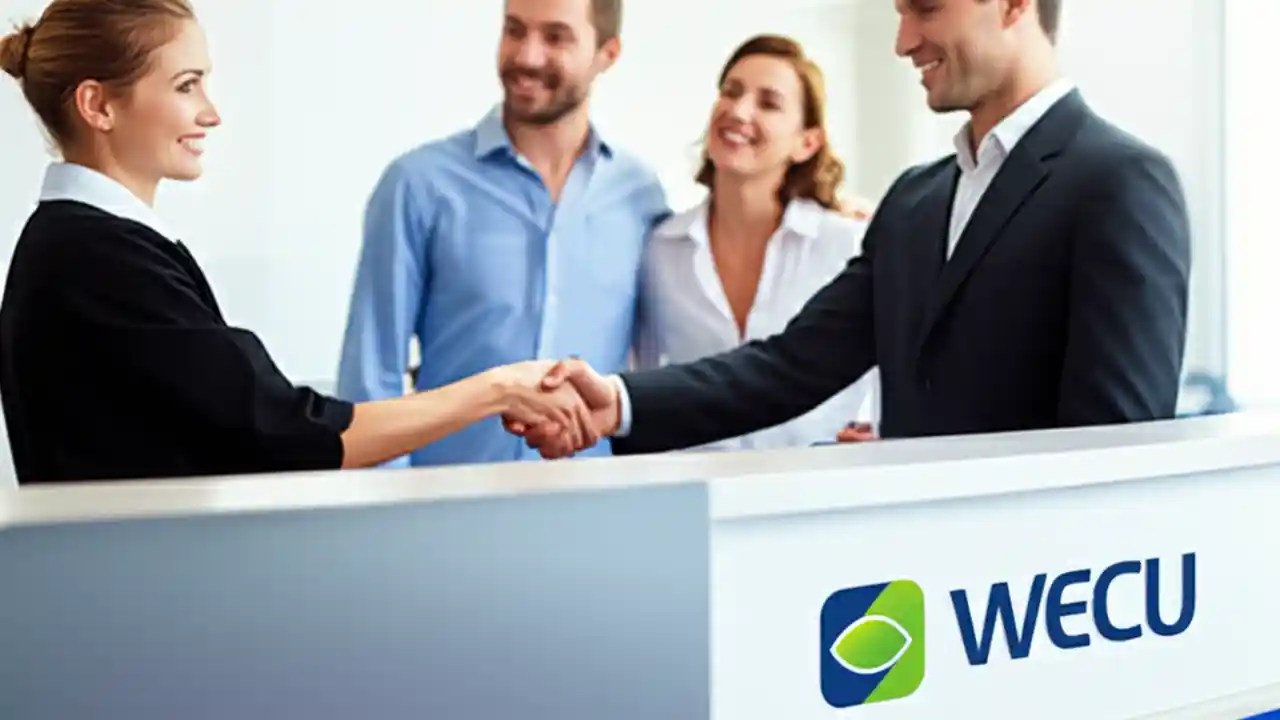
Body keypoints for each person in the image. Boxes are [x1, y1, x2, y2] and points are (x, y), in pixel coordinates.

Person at [510, 0, 1192, 458]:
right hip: (908, 602)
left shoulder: (1119, 181)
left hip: (1034, 612)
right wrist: (619, 403)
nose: (904, 41)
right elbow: (789, 367)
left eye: (925, 8)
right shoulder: (916, 201)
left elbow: (1115, 452)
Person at [0, 0, 593, 484]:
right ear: (98, 104)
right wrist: (498, 389)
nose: (210, 114)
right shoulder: (97, 261)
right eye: (187, 85)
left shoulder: (86, 247)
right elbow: (290, 434)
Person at [335, 0, 669, 467]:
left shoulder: (640, 195)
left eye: (556, 37)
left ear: (607, 54)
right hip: (445, 509)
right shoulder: (419, 184)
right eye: (515, 30)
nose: (527, 56)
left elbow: (655, 370)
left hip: (595, 507)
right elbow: (371, 378)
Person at [634, 35, 879, 451]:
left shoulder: (846, 244)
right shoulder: (662, 249)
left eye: (769, 103)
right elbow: (645, 377)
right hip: (694, 497)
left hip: (816, 494)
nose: (738, 110)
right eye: (730, 92)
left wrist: (877, 432)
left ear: (807, 142)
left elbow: (886, 370)